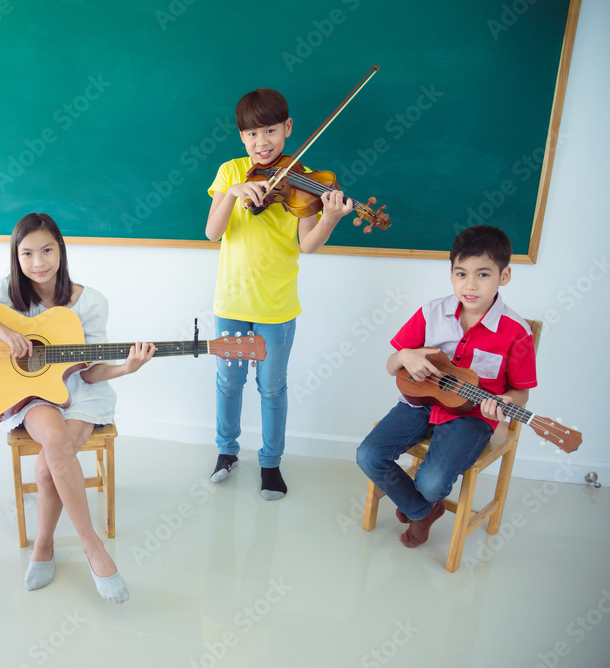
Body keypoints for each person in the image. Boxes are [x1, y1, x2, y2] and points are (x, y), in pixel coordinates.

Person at [0, 212, 154, 603]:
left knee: (45, 465)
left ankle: (45, 544)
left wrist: (126, 367)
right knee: (53, 437)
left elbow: (88, 373)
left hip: (79, 393)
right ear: (16, 257)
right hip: (30, 393)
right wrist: (2, 329)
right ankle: (93, 548)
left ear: (61, 250)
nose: (39, 263)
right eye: (28, 253)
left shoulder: (90, 302)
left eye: (47, 250)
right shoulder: (3, 291)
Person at [205, 88, 353, 499]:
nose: (262, 142)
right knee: (229, 382)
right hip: (232, 303)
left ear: (288, 128)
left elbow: (308, 245)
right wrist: (233, 194)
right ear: (241, 138)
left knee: (271, 388)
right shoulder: (231, 172)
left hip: (276, 307)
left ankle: (270, 463)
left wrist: (331, 218)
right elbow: (212, 231)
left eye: (270, 130)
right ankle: (226, 452)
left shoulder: (305, 184)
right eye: (251, 134)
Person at [356, 225, 537, 547]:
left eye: (483, 274)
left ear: (504, 276)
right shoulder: (431, 312)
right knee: (368, 455)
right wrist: (406, 356)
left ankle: (419, 501)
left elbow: (521, 392)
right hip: (418, 402)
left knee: (433, 481)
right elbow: (391, 365)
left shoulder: (517, 332)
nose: (470, 285)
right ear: (451, 274)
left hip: (472, 417)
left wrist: (505, 401)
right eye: (461, 273)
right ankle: (422, 511)